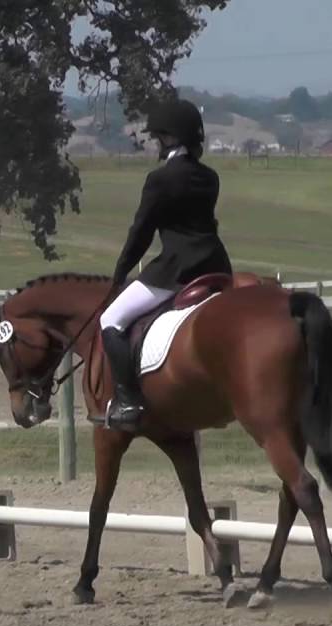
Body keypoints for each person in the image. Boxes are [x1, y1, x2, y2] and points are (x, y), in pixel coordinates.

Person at [98, 98, 233, 431]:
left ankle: (128, 400)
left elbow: (141, 232)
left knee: (110, 319)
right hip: (217, 266)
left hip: (177, 270)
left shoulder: (160, 179)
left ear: (170, 137)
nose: (157, 143)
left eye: (159, 137)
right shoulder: (211, 178)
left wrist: (121, 271)